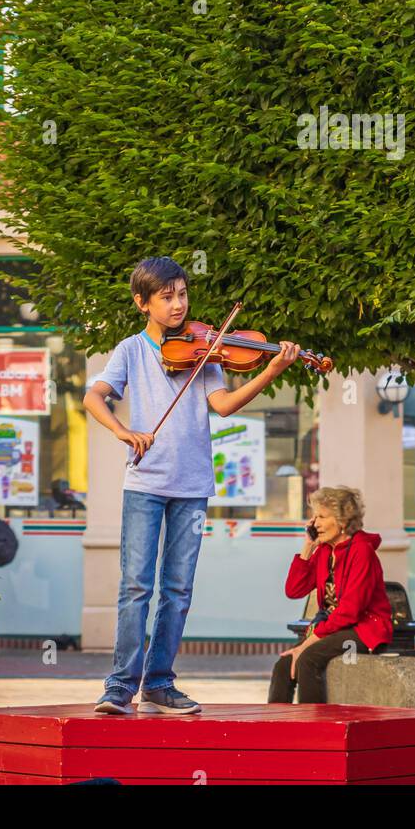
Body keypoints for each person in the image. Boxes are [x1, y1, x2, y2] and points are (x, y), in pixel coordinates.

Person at [83, 256, 302, 716]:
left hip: (193, 483)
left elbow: (222, 405)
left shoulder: (206, 349)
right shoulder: (130, 351)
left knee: (178, 589)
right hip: (144, 481)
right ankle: (120, 687)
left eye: (182, 293)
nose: (178, 304)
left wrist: (270, 371)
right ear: (142, 302)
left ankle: (160, 684)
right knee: (136, 587)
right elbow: (93, 397)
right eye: (167, 297)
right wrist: (123, 432)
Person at [269, 485, 393, 704]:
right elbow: (294, 590)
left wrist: (306, 644)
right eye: (314, 516)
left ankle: (315, 730)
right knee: (284, 665)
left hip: (364, 628)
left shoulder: (362, 551)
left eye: (322, 517)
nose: (315, 523)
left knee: (307, 659)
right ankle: (278, 729)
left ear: (342, 522)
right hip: (334, 626)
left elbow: (350, 611)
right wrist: (308, 547)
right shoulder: (325, 550)